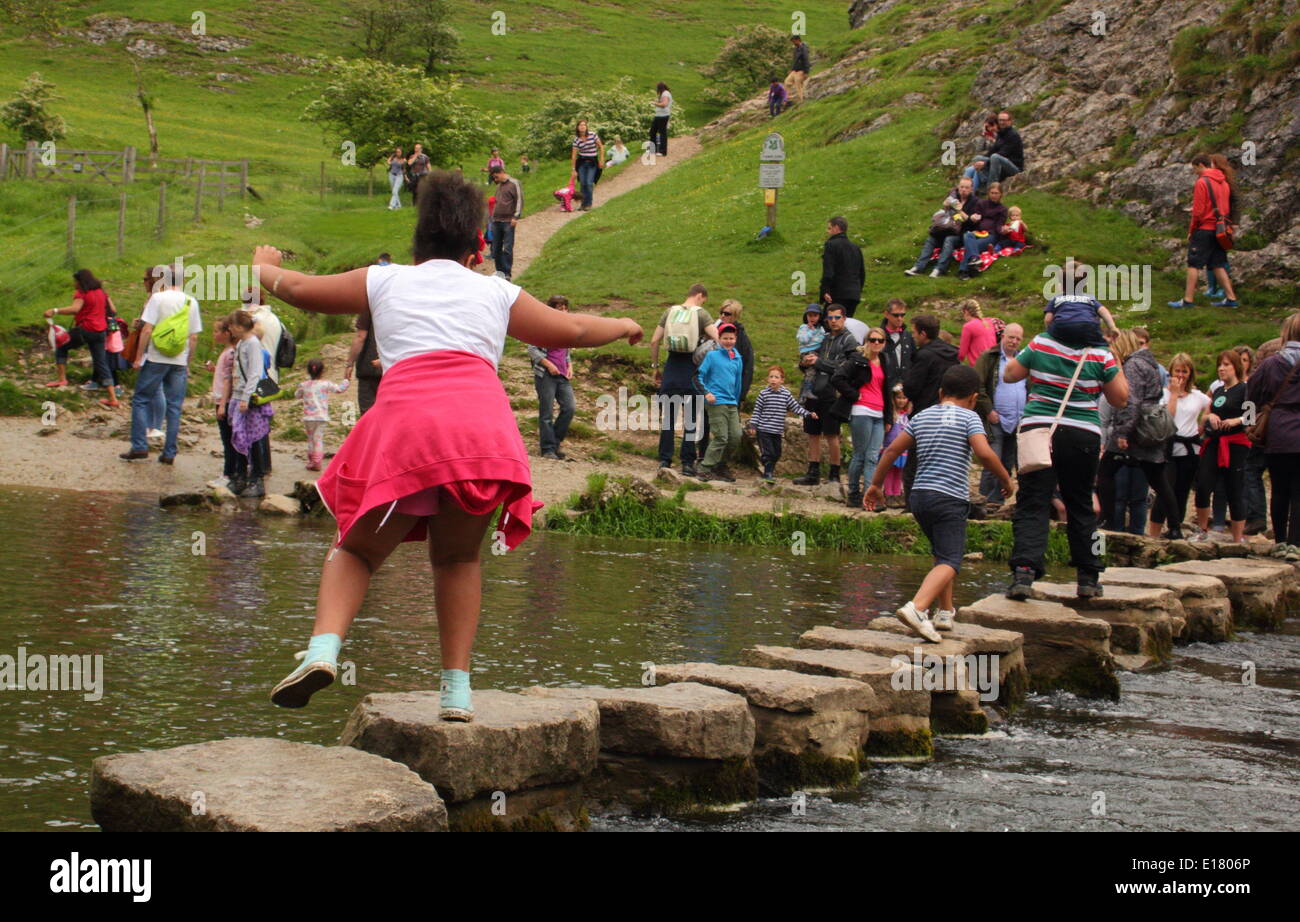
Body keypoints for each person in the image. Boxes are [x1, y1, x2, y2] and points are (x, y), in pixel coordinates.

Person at [257, 169, 642, 717]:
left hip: (409, 421)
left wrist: (263, 266)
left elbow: (299, 290)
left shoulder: (386, 279)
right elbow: (571, 330)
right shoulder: (495, 288)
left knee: (359, 549)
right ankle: (456, 692)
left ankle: (323, 650)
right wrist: (623, 323)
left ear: (419, 240)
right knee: (458, 558)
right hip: (480, 429)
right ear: (473, 248)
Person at [866, 365, 1014, 642]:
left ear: (941, 392)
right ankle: (917, 608)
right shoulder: (970, 418)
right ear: (973, 398)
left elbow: (893, 450)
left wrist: (875, 485)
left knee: (941, 553)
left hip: (920, 497)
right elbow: (984, 453)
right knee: (950, 559)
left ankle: (945, 613)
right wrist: (1006, 479)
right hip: (950, 498)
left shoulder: (922, 416)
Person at [1003, 327, 1128, 600]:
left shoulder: (1041, 343)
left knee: (1032, 502)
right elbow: (1121, 398)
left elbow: (1009, 374)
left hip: (1039, 430)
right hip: (1084, 434)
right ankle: (1089, 577)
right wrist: (1113, 356)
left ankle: (1023, 574)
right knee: (1083, 503)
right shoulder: (1100, 353)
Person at [1095, 330, 1182, 538]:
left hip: (1136, 429)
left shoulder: (1132, 366)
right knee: (1158, 479)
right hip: (1150, 427)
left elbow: (1131, 401)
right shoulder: (1150, 364)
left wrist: (1123, 432)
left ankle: (1106, 519)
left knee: (1105, 471)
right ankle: (1176, 527)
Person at [119, 264, 201, 464]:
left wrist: (139, 357)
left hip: (156, 358)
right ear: (183, 280)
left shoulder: (157, 298)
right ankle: (169, 453)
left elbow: (147, 330)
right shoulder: (191, 301)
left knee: (140, 399)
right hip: (179, 360)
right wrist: (187, 362)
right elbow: (193, 337)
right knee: (175, 407)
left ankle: (139, 446)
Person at [650, 284, 718, 476]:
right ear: (699, 296)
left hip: (671, 369)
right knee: (691, 420)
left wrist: (656, 368)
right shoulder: (701, 314)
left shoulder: (669, 312)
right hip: (692, 370)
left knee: (668, 420)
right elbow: (718, 338)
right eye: (704, 299)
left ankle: (665, 460)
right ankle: (687, 463)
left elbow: (654, 341)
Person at [1247, 313, 1300, 557]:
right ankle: (1296, 545)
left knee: (1280, 490)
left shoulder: (1270, 364)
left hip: (1278, 432)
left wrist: (1250, 425)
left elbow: (1250, 393)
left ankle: (1279, 541)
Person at [1189, 350, 1250, 543]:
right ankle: (1202, 529)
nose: (1221, 368)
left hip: (1235, 444)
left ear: (1236, 367)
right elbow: (1206, 415)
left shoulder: (1245, 389)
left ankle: (1237, 537)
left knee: (1234, 488)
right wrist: (1210, 416)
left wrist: (1235, 420)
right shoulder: (1217, 390)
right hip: (1214, 442)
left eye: (1226, 365)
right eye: (1220, 365)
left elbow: (1252, 415)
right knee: (1203, 485)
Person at [794, 304, 859, 485]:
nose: (833, 321)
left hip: (833, 392)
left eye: (837, 318)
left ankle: (834, 474)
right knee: (812, 432)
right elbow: (807, 357)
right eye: (830, 318)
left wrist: (820, 362)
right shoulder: (822, 337)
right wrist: (805, 362)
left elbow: (846, 367)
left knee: (832, 434)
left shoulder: (849, 340)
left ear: (844, 318)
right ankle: (812, 472)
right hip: (814, 389)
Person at [1147, 353, 1208, 539]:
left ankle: (1176, 529)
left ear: (1190, 374)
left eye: (1184, 371)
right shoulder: (1162, 394)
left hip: (1189, 449)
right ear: (1170, 373)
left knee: (1182, 491)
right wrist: (1174, 394)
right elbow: (1168, 417)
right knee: (1165, 490)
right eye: (1177, 371)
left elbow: (1211, 405)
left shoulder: (1198, 396)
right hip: (1168, 447)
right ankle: (1154, 533)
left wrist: (1205, 420)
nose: (1180, 375)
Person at [1168, 153, 1239, 309]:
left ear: (1201, 165)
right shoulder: (1224, 182)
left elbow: (1198, 212)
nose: (1195, 172)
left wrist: (1192, 230)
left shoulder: (1202, 182)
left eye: (1195, 169)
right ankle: (1231, 298)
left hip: (1205, 228)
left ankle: (1188, 300)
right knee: (1218, 264)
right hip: (1220, 229)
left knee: (1193, 264)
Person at [833, 326, 892, 509]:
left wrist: (889, 417)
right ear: (866, 341)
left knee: (873, 456)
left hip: (879, 412)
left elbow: (887, 390)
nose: (876, 343)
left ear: (884, 343)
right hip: (862, 411)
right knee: (861, 454)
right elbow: (837, 378)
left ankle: (869, 495)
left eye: (880, 340)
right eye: (872, 339)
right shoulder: (858, 360)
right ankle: (855, 494)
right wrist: (854, 394)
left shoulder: (884, 360)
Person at [43, 269, 119, 408]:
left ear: (80, 281)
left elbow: (75, 309)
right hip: (101, 331)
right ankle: (113, 398)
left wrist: (54, 311)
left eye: (75, 281)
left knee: (62, 346)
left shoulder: (82, 293)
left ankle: (62, 379)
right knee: (101, 363)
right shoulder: (101, 292)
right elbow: (113, 309)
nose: (74, 283)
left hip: (86, 329)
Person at [974, 322, 1024, 504]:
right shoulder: (989, 357)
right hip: (995, 419)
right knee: (991, 461)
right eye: (1011, 337)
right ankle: (983, 501)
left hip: (1017, 419)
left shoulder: (1023, 359)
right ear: (1003, 336)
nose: (1014, 341)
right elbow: (978, 384)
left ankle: (998, 502)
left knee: (1007, 462)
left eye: (1018, 338)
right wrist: (988, 410)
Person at [528, 295, 576, 460]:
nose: (563, 311)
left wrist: (570, 366)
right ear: (551, 309)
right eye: (559, 308)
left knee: (569, 408)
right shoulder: (542, 326)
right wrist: (549, 365)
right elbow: (532, 350)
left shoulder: (567, 326)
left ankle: (554, 443)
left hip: (563, 375)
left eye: (565, 308)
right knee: (546, 411)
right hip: (545, 375)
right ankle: (547, 449)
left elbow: (566, 351)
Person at [696, 322, 745, 482]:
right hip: (716, 401)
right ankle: (704, 468)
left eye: (731, 338)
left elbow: (738, 383)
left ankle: (720, 465)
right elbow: (697, 377)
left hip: (731, 403)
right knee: (721, 437)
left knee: (735, 437)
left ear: (735, 339)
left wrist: (737, 402)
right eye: (725, 338)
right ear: (719, 339)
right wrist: (706, 393)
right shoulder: (712, 355)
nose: (728, 341)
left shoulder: (738, 358)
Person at [746, 366, 814, 482]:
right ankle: (767, 473)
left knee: (777, 453)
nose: (773, 379)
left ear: (782, 380)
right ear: (768, 379)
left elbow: (795, 407)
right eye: (771, 377)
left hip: (777, 431)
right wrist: (753, 425)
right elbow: (757, 411)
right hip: (764, 430)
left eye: (776, 377)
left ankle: (768, 469)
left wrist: (808, 414)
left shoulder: (786, 394)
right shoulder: (763, 394)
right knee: (769, 453)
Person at [905, 178, 976, 278]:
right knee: (931, 239)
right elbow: (946, 214)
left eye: (966, 187)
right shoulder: (954, 197)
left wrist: (960, 211)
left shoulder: (975, 202)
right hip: (946, 229)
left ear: (971, 189)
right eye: (961, 187)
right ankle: (918, 267)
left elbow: (972, 223)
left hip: (960, 234)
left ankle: (939, 269)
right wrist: (946, 206)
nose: (963, 190)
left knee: (949, 240)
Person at [1044, 262, 1119, 347]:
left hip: (1063, 326)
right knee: (1101, 344)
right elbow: (1103, 311)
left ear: (1062, 285)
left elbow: (1048, 319)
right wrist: (1112, 327)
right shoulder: (1090, 298)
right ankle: (1104, 346)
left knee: (1053, 341)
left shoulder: (1057, 298)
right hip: (1088, 326)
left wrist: (1049, 332)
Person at [296, 359, 350, 471]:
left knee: (310, 439)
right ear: (322, 371)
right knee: (318, 439)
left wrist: (301, 389)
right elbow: (340, 389)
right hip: (321, 417)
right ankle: (317, 462)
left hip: (309, 418)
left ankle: (311, 461)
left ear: (308, 372)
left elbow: (297, 395)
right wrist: (346, 380)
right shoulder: (326, 384)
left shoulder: (303, 385)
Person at [208, 317, 238, 490]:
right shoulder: (228, 351)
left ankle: (228, 474)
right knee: (228, 439)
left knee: (228, 439)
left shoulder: (230, 353)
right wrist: (214, 369)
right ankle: (230, 473)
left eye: (216, 331)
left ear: (227, 333)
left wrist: (222, 404)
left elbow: (229, 379)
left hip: (224, 400)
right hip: (222, 399)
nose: (214, 334)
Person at [956, 182, 1008, 281]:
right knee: (967, 235)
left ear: (1001, 194)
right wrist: (975, 219)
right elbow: (976, 219)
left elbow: (998, 226)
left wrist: (1002, 230)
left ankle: (963, 271)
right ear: (988, 193)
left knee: (972, 245)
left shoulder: (1003, 209)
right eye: (992, 193)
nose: (994, 195)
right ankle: (975, 260)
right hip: (978, 231)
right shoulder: (981, 203)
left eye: (996, 193)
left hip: (991, 235)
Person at [963, 110, 1024, 190]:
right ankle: (965, 190)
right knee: (977, 158)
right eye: (1000, 120)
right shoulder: (1001, 134)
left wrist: (985, 163)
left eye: (1004, 120)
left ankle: (990, 186)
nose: (1002, 122)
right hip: (1000, 165)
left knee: (995, 157)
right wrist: (981, 161)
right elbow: (992, 151)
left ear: (1010, 121)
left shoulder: (1013, 135)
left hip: (1013, 167)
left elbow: (1003, 154)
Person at [820, 216, 865, 318]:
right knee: (846, 323)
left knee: (829, 323)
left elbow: (829, 270)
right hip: (854, 294)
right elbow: (861, 273)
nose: (828, 231)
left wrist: (825, 289)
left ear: (836, 228)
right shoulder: (856, 248)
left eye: (829, 228)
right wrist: (858, 290)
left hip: (837, 293)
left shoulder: (831, 245)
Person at [489, 165, 522, 280]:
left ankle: (507, 273)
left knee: (507, 247)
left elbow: (519, 200)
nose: (495, 180)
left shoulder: (514, 183)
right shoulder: (498, 186)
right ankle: (499, 271)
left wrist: (516, 216)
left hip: (508, 220)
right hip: (496, 220)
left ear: (502, 172)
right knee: (496, 247)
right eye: (494, 178)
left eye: (496, 176)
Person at [718, 299, 754, 404]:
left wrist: (742, 394)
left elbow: (748, 365)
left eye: (727, 314)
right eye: (721, 312)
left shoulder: (741, 337)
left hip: (732, 390)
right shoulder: (713, 329)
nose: (723, 316)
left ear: (735, 316)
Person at [881, 384, 910, 506]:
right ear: (893, 398)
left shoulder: (907, 415)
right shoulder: (891, 415)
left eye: (904, 398)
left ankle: (897, 494)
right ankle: (888, 493)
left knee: (899, 472)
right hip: (889, 447)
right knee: (889, 471)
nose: (902, 401)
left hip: (902, 449)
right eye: (899, 398)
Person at [570, 119, 606, 211]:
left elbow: (601, 146)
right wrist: (573, 169)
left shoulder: (592, 135)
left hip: (592, 162)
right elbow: (574, 155)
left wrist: (601, 159)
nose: (582, 127)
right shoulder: (576, 139)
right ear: (577, 127)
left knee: (589, 183)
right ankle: (583, 204)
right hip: (582, 162)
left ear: (586, 127)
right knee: (582, 183)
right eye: (580, 125)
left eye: (584, 125)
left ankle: (588, 203)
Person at [880, 298, 915, 381]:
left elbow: (913, 359)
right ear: (886, 314)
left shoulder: (908, 336)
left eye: (902, 315)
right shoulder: (877, 336)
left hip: (905, 384)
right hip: (885, 383)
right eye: (896, 315)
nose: (900, 318)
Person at [957, 299, 997, 365]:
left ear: (966, 312)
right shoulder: (989, 322)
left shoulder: (968, 327)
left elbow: (961, 354)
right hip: (992, 364)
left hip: (978, 366)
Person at [786, 36, 811, 106]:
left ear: (798, 40)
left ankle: (801, 100)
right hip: (795, 70)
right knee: (787, 82)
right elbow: (795, 61)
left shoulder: (804, 48)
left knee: (798, 83)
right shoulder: (796, 49)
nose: (793, 43)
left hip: (801, 70)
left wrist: (806, 71)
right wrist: (792, 69)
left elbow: (806, 60)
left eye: (794, 41)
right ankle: (789, 98)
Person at [651, 83, 672, 156]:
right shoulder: (665, 93)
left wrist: (655, 103)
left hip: (662, 116)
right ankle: (654, 150)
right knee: (652, 132)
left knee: (662, 133)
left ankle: (662, 151)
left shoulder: (665, 94)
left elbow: (664, 104)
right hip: (659, 115)